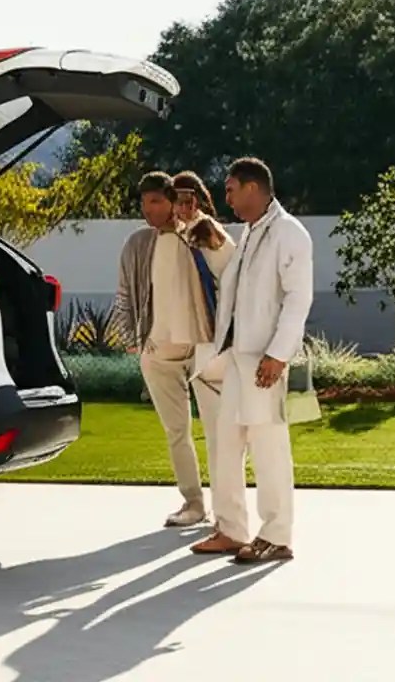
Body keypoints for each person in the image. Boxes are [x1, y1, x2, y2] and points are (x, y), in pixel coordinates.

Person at [189, 157, 314, 564]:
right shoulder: (250, 232)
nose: (225, 197)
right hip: (238, 359)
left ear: (252, 188)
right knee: (226, 445)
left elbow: (298, 299)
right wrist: (212, 242)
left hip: (265, 360)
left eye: (230, 189)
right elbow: (237, 285)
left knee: (268, 449)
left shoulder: (290, 234)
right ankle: (230, 529)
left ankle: (276, 536)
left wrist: (278, 355)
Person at [111, 171, 235, 528]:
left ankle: (226, 511)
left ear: (175, 200)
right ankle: (193, 503)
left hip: (202, 348)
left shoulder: (197, 233)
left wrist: (198, 223)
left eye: (156, 201)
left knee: (216, 431)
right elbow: (124, 293)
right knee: (176, 431)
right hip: (156, 350)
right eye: (144, 203)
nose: (148, 210)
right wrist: (131, 339)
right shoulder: (137, 243)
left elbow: (231, 265)